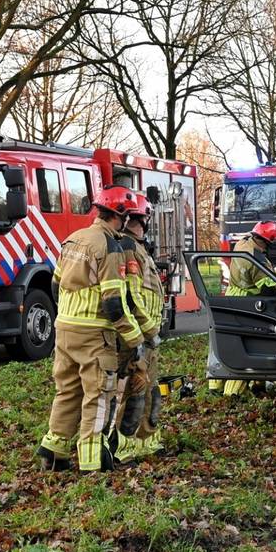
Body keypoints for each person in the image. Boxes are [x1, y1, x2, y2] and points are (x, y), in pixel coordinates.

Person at [37, 185, 145, 473]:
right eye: (127, 216)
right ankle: (92, 460)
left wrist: (68, 315)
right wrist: (135, 339)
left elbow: (56, 284)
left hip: (65, 329)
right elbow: (113, 302)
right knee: (98, 394)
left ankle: (53, 450)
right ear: (119, 215)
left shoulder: (73, 239)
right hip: (94, 334)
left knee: (67, 390)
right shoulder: (109, 246)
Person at [207, 221, 276, 396]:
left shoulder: (244, 243)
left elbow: (267, 271)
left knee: (226, 344)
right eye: (268, 244)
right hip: (247, 304)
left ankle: (216, 386)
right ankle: (233, 395)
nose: (268, 248)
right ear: (263, 242)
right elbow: (269, 287)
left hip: (233, 298)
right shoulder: (254, 256)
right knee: (247, 350)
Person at [111, 194, 165, 465]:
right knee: (135, 390)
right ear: (141, 219)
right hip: (137, 334)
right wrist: (144, 333)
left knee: (149, 390)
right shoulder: (128, 247)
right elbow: (131, 296)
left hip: (146, 332)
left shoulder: (138, 247)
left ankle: (145, 442)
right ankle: (121, 448)